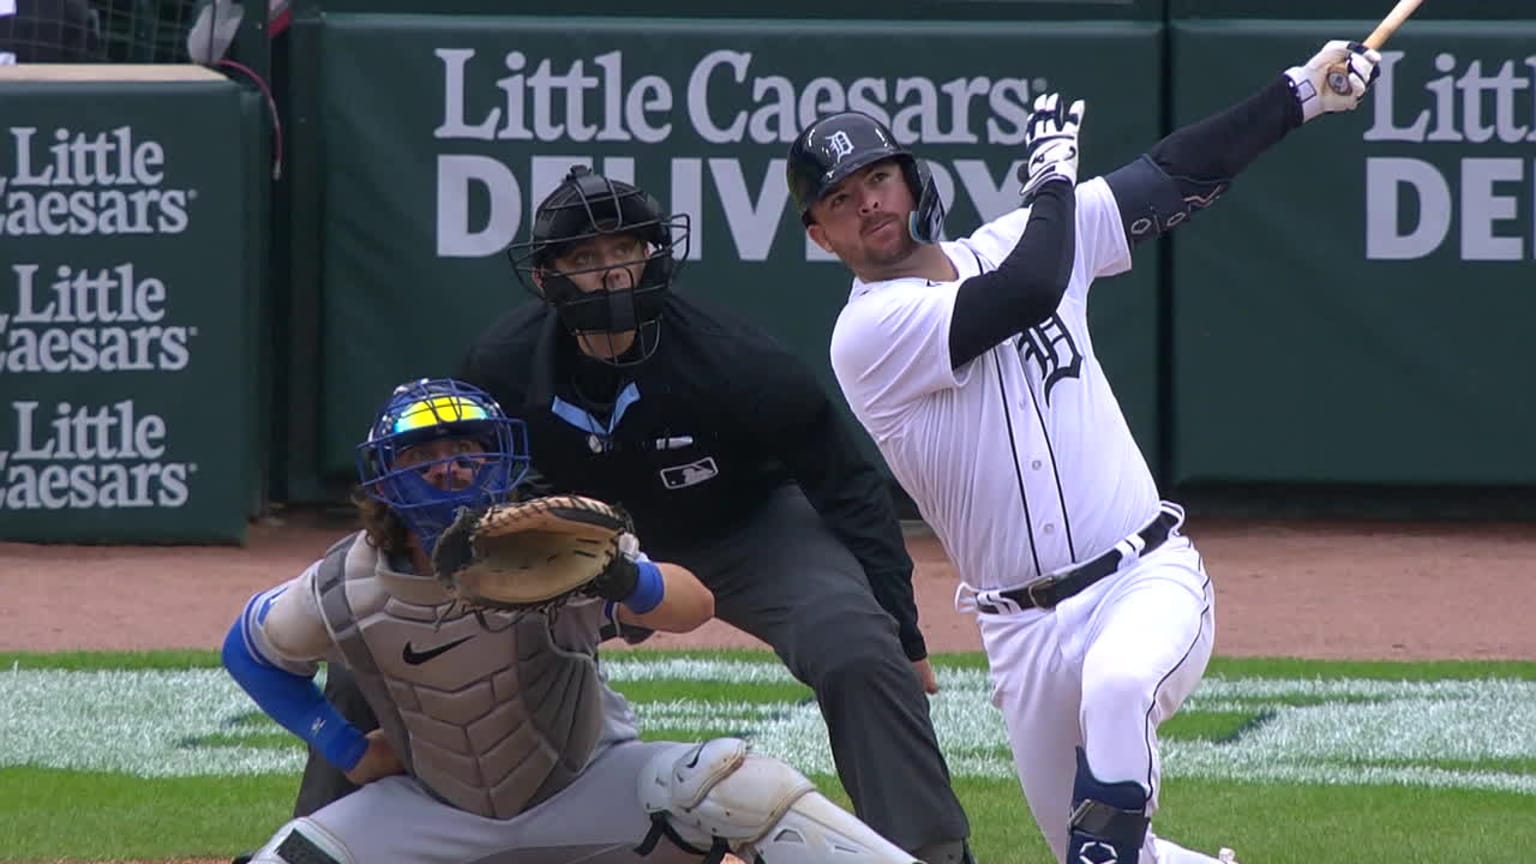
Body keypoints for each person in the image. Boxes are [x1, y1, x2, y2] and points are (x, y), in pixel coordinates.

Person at [268, 169, 977, 864]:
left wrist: (902, 630)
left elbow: (846, 483)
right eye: (584, 258)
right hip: (572, 548)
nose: (609, 272)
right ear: (547, 278)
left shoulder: (736, 358)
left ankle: (927, 853)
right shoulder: (504, 363)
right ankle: (320, 839)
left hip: (743, 528)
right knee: (375, 635)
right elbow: (474, 484)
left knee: (856, 645)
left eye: (625, 250)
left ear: (652, 257)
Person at [786, 40, 1383, 864]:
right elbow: (1027, 288)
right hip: (1019, 634)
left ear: (912, 180)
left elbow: (1172, 177)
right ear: (819, 233)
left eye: (878, 179)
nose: (867, 204)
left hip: (1144, 576)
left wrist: (1301, 94)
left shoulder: (1027, 235)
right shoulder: (866, 335)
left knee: (1115, 695)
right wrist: (1054, 184)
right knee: (1097, 854)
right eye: (840, 200)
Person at [223, 376, 920, 864]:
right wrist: (344, 748)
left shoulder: (555, 545)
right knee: (295, 854)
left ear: (499, 460)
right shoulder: (346, 584)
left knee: (741, 783)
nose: (448, 468)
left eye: (466, 449)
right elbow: (250, 651)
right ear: (386, 475)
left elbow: (693, 604)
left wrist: (621, 576)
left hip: (590, 788)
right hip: (433, 813)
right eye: (423, 456)